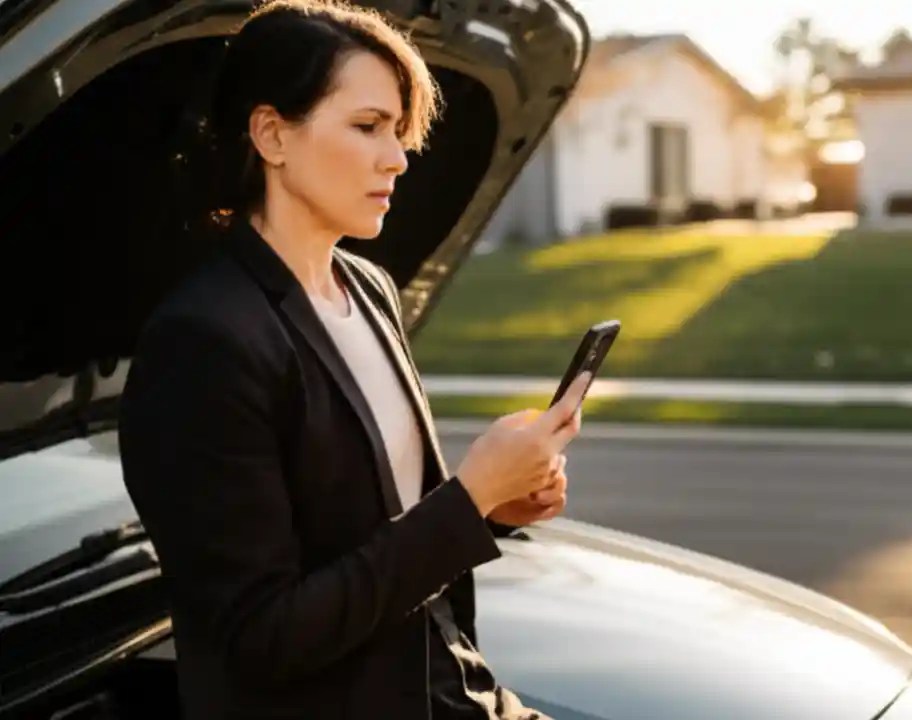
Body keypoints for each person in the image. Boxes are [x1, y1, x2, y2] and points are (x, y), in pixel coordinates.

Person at [118, 1, 587, 717]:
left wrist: (492, 504)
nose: (397, 157)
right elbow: (263, 638)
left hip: (450, 690)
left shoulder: (367, 288)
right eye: (367, 127)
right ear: (272, 134)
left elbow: (372, 530)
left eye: (398, 132)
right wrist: (466, 500)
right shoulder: (205, 340)